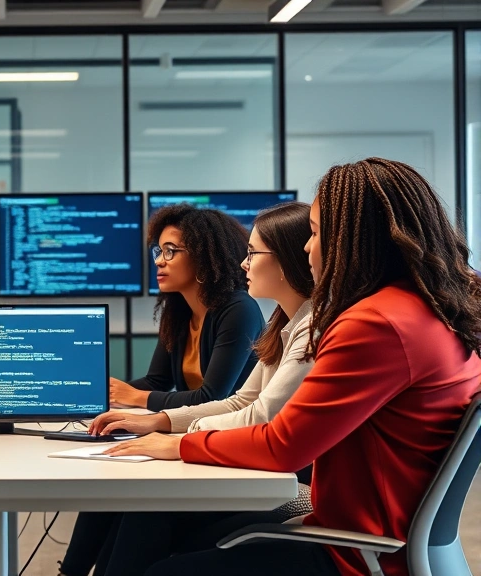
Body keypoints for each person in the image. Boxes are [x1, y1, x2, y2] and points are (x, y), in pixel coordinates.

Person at [106, 158, 481, 576]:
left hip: (359, 552)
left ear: (351, 239)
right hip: (379, 536)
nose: (307, 246)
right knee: (165, 531)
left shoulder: (376, 323)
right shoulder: (431, 311)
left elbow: (284, 446)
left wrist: (176, 444)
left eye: (317, 233)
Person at [58, 201, 316, 576]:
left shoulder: (283, 321)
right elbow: (243, 399)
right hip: (254, 460)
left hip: (286, 482)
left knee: (145, 508)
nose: (244, 263)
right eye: (157, 251)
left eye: (253, 253)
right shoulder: (282, 322)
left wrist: (173, 433)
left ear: (287, 259)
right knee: (133, 497)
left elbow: (254, 413)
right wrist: (158, 419)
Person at [108, 204, 265, 411]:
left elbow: (213, 397)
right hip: (195, 426)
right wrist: (102, 394)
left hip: (236, 431)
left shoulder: (239, 309)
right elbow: (157, 382)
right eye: (159, 251)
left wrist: (136, 397)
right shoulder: (178, 311)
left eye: (170, 251)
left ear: (202, 257)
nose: (158, 261)